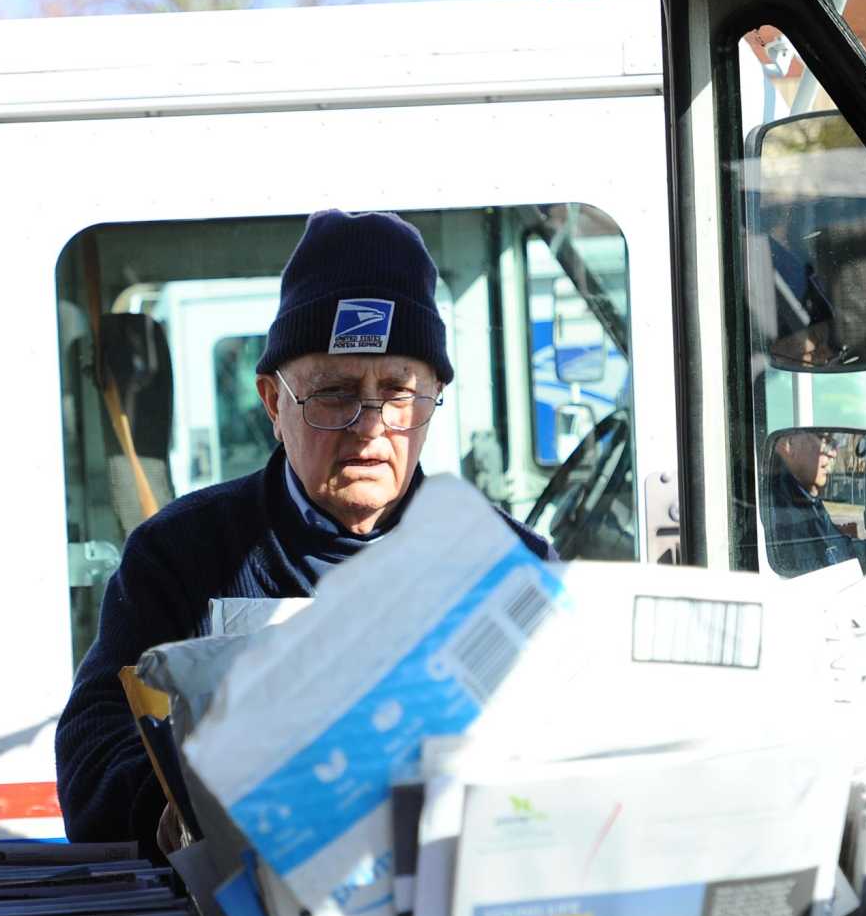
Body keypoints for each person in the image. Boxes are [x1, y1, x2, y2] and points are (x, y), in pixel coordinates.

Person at [56, 210, 553, 852]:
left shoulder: (513, 564)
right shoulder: (180, 557)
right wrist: (183, 812)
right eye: (336, 394)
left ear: (435, 397)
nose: (371, 428)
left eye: (400, 394)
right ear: (272, 401)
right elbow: (93, 750)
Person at [762, 429, 866, 575]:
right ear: (790, 445)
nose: (833, 454)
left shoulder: (806, 500)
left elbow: (837, 549)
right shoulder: (780, 511)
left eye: (833, 443)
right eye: (824, 440)